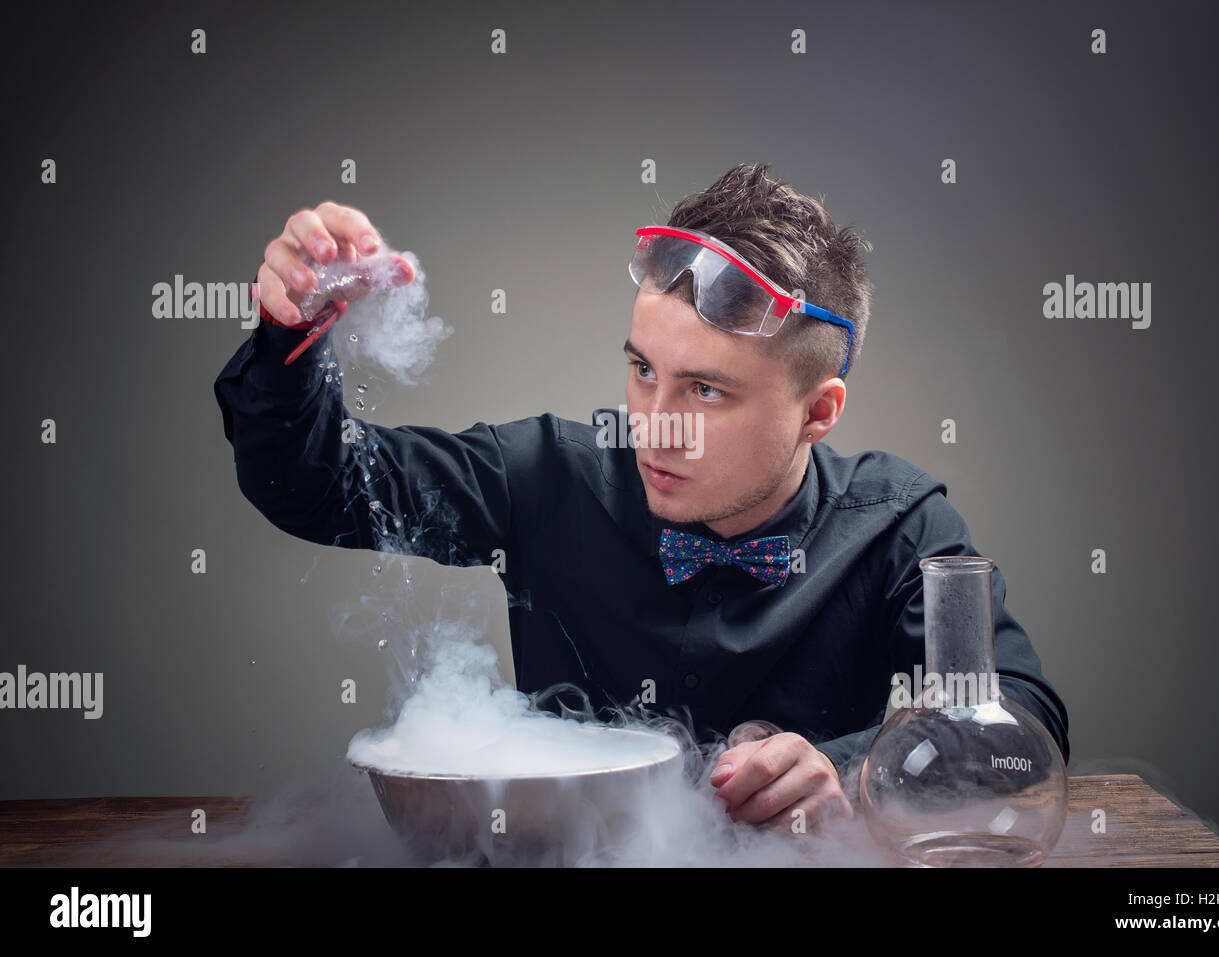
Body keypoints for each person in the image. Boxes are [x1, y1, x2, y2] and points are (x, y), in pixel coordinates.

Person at [214, 163, 1069, 831]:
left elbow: (1020, 725)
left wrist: (850, 771)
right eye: (641, 370)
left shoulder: (902, 526)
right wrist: (292, 329)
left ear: (818, 410)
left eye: (704, 391)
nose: (653, 428)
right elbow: (318, 485)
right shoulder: (547, 473)